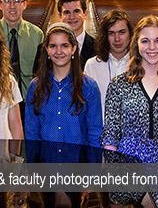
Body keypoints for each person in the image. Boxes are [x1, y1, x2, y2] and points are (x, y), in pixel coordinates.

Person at [101, 16, 158, 208]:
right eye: (145, 41)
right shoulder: (119, 85)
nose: (152, 47)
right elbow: (111, 136)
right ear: (136, 44)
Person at [24, 23, 102, 151]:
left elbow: (94, 133)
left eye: (64, 45)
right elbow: (32, 133)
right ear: (47, 50)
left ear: (74, 48)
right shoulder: (36, 86)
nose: (58, 51)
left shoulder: (89, 87)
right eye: (53, 46)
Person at [0, 0, 44, 95]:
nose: (12, 6)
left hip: (28, 99)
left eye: (17, 1)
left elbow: (42, 72)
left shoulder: (37, 35)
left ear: (24, 5)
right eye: (7, 1)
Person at [83, 9, 133, 102]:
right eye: (111, 33)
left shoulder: (141, 63)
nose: (117, 39)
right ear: (105, 36)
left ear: (130, 34)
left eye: (122, 32)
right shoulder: (92, 65)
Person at [55, 0, 96, 64]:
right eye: (66, 12)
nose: (72, 17)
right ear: (60, 16)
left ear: (85, 14)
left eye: (76, 11)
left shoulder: (98, 47)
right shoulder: (46, 48)